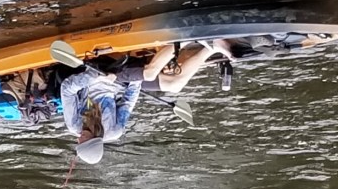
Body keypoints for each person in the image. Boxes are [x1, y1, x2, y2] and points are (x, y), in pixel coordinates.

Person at [60, 40, 233, 164]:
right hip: (121, 81)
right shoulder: (114, 131)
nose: (79, 139)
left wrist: (94, 76)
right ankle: (212, 48)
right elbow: (128, 102)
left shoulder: (74, 124)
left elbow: (67, 88)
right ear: (95, 140)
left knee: (150, 74)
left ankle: (186, 39)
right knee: (175, 84)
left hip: (95, 73)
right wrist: (136, 78)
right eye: (84, 142)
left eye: (79, 143)